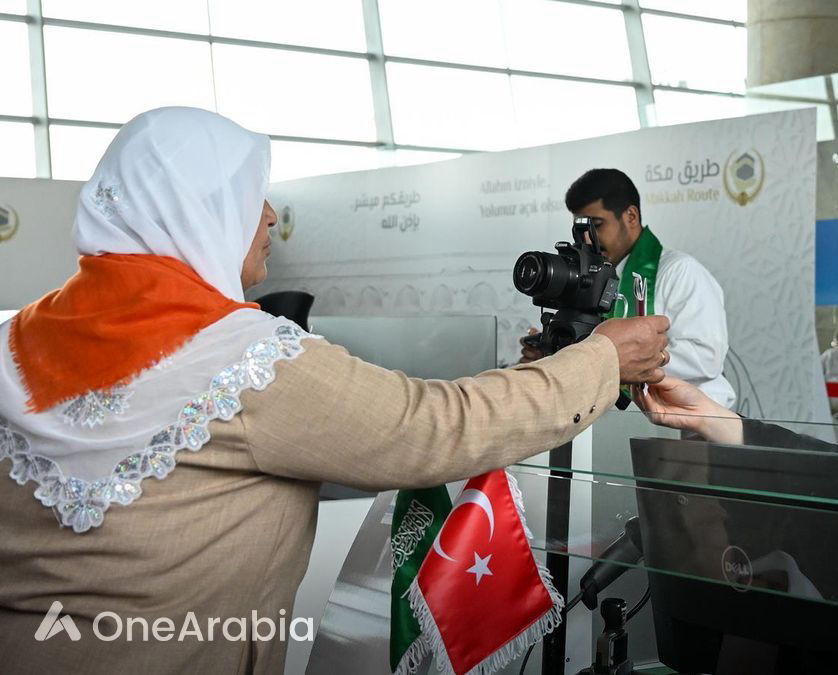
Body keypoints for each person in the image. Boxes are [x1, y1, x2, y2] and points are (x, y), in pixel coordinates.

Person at [0, 107, 670, 674]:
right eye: (245, 196)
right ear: (193, 215)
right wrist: (600, 359)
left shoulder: (14, 342)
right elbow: (432, 428)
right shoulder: (243, 361)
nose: (267, 215)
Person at [521, 168, 736, 408]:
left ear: (631, 216)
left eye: (598, 225)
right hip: (615, 426)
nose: (588, 240)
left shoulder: (679, 271)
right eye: (583, 230)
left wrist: (610, 358)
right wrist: (557, 354)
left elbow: (707, 357)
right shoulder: (589, 278)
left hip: (688, 428)